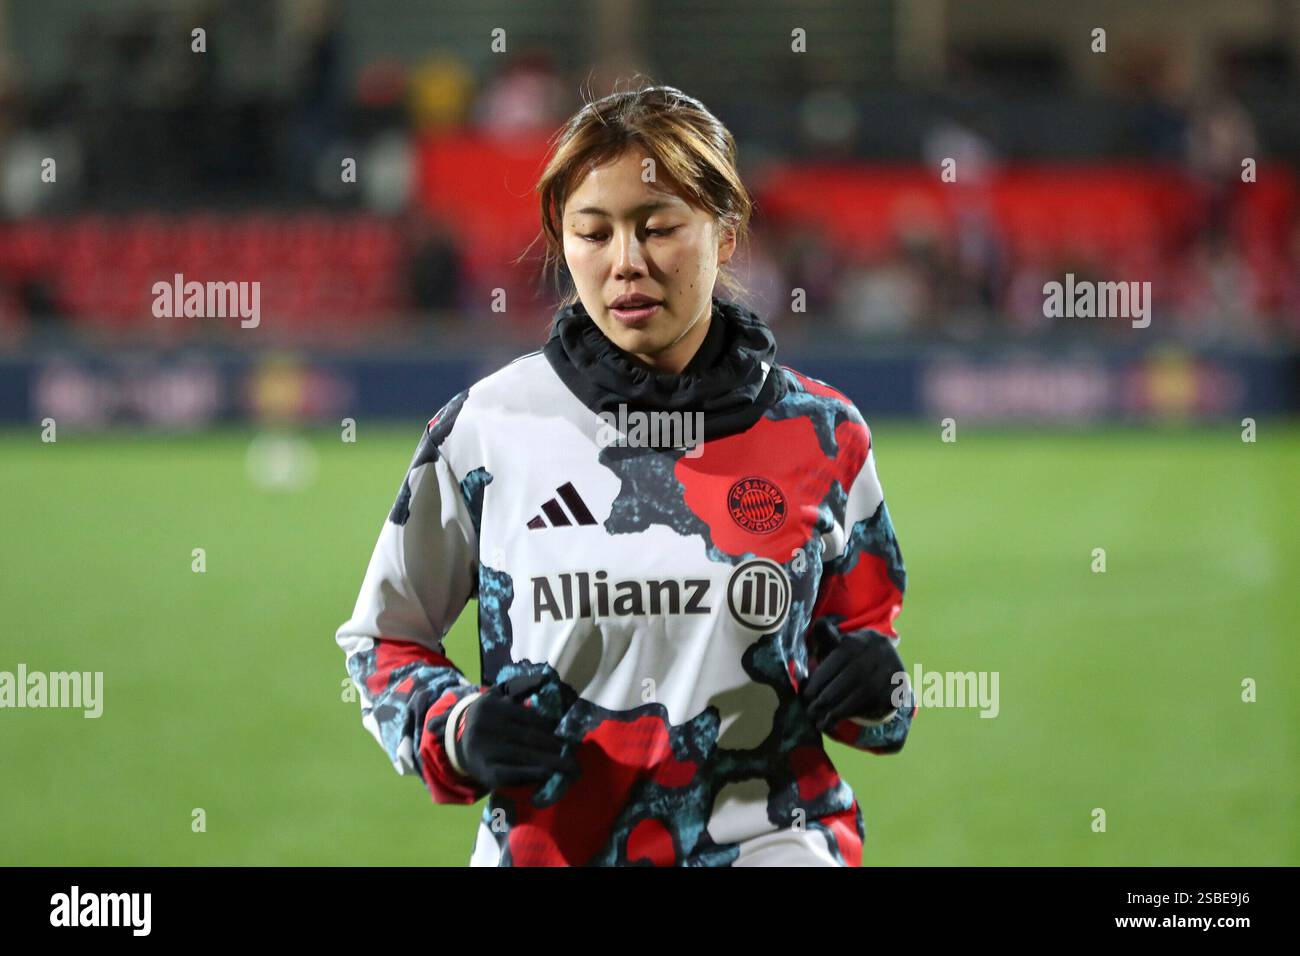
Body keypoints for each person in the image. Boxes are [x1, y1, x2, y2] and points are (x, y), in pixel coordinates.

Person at [335, 84, 915, 866]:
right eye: (594, 232)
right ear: (561, 241)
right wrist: (454, 728)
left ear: (727, 234)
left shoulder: (823, 434)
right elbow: (385, 641)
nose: (626, 262)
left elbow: (869, 687)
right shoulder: (488, 430)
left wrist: (883, 691)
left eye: (659, 227)